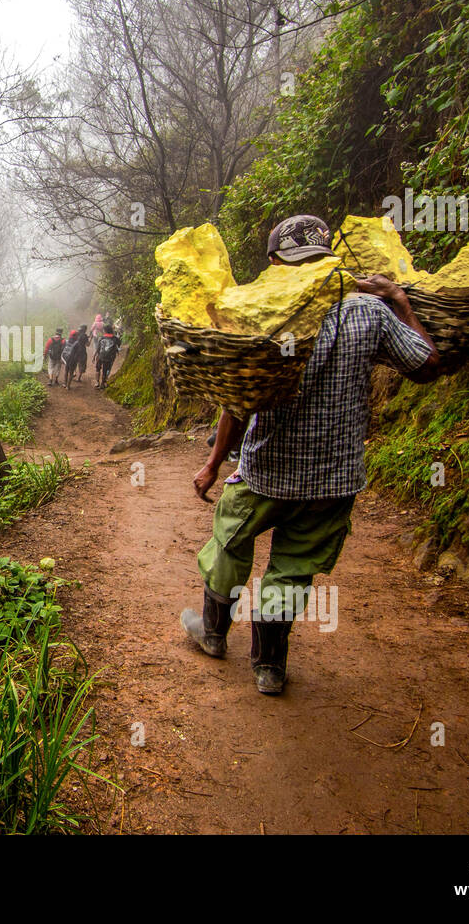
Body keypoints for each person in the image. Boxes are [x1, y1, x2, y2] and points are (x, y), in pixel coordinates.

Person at [181, 213, 441, 695]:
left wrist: (214, 463)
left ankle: (214, 635)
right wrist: (401, 302)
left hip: (265, 472)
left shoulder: (264, 314)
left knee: (230, 544)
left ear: (278, 259)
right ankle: (269, 669)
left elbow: (238, 400)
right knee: (293, 569)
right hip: (334, 480)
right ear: (328, 257)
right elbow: (427, 365)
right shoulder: (370, 311)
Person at [94, 323, 121, 389]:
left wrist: (95, 356)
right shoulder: (115, 338)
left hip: (101, 356)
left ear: (105, 330)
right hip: (109, 357)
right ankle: (103, 383)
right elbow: (119, 344)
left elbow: (98, 348)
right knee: (105, 370)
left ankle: (97, 382)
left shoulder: (101, 337)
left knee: (98, 369)